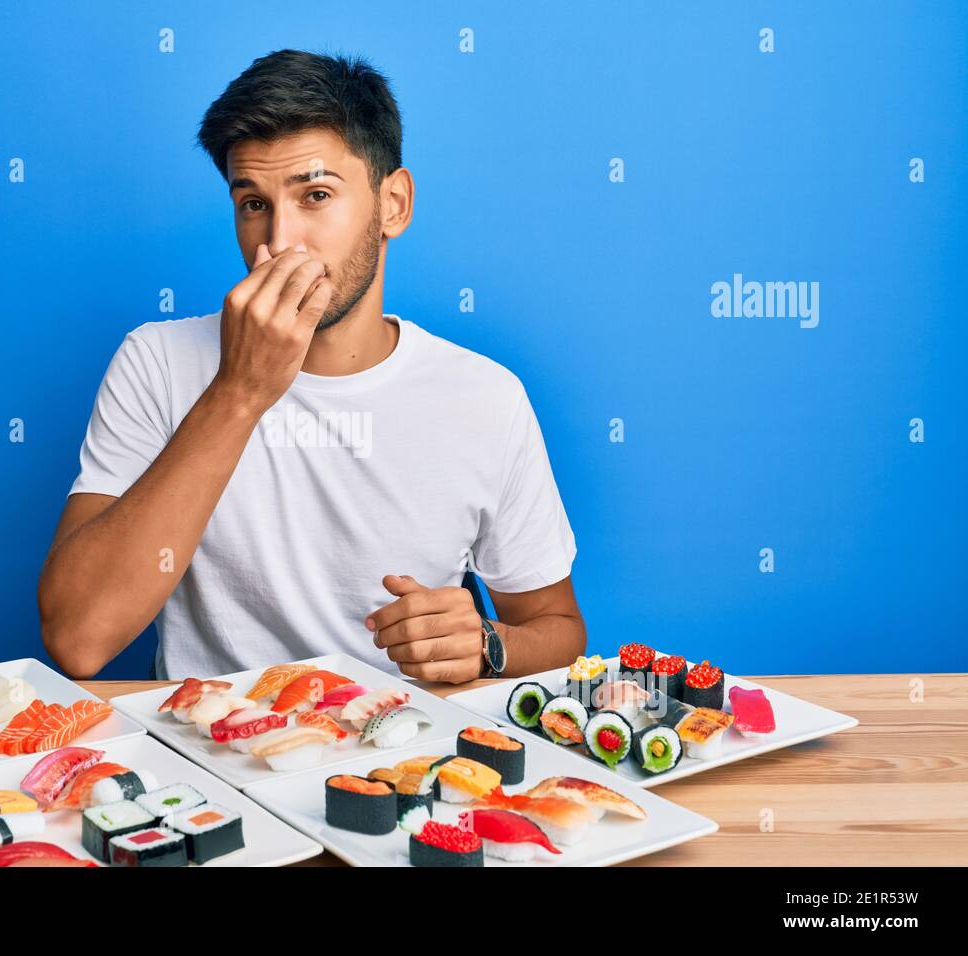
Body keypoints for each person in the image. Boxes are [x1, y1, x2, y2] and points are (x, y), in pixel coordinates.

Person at [39, 49, 584, 682]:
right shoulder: (157, 363)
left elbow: (559, 629)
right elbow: (79, 639)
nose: (280, 242)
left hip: (401, 756)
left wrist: (490, 644)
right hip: (210, 754)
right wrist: (239, 391)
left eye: (316, 195)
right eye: (253, 203)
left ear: (394, 205)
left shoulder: (486, 397)